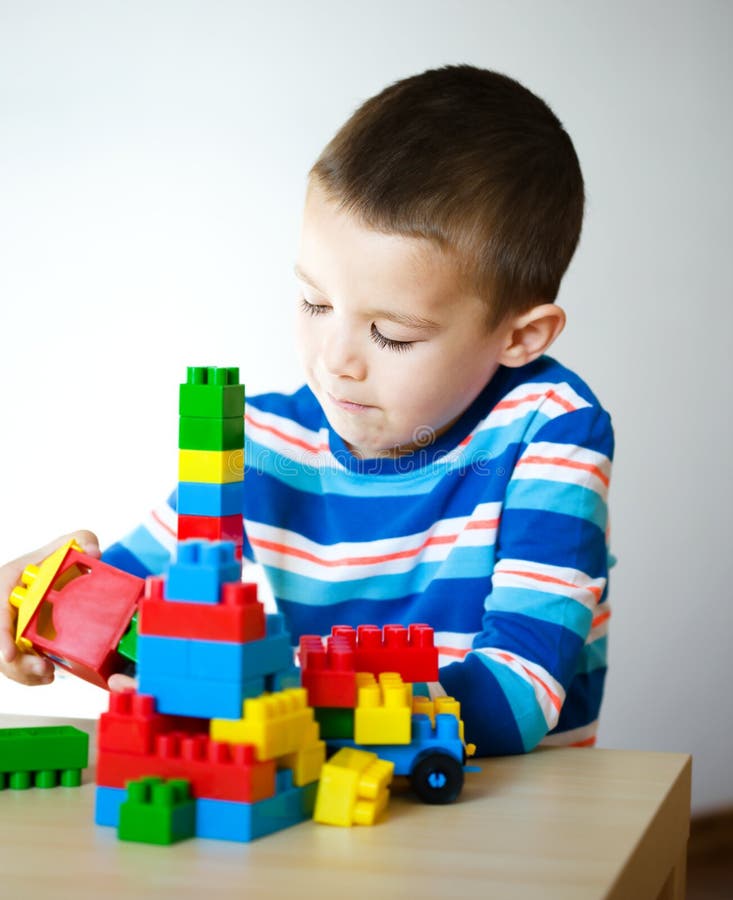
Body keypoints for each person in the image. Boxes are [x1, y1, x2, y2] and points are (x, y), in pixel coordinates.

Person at [0, 65, 613, 756]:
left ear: (518, 336)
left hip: (509, 812)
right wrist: (40, 600)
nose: (335, 359)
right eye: (315, 304)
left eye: (393, 334)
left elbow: (521, 688)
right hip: (312, 806)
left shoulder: (550, 428)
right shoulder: (258, 442)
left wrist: (292, 716)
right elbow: (127, 608)